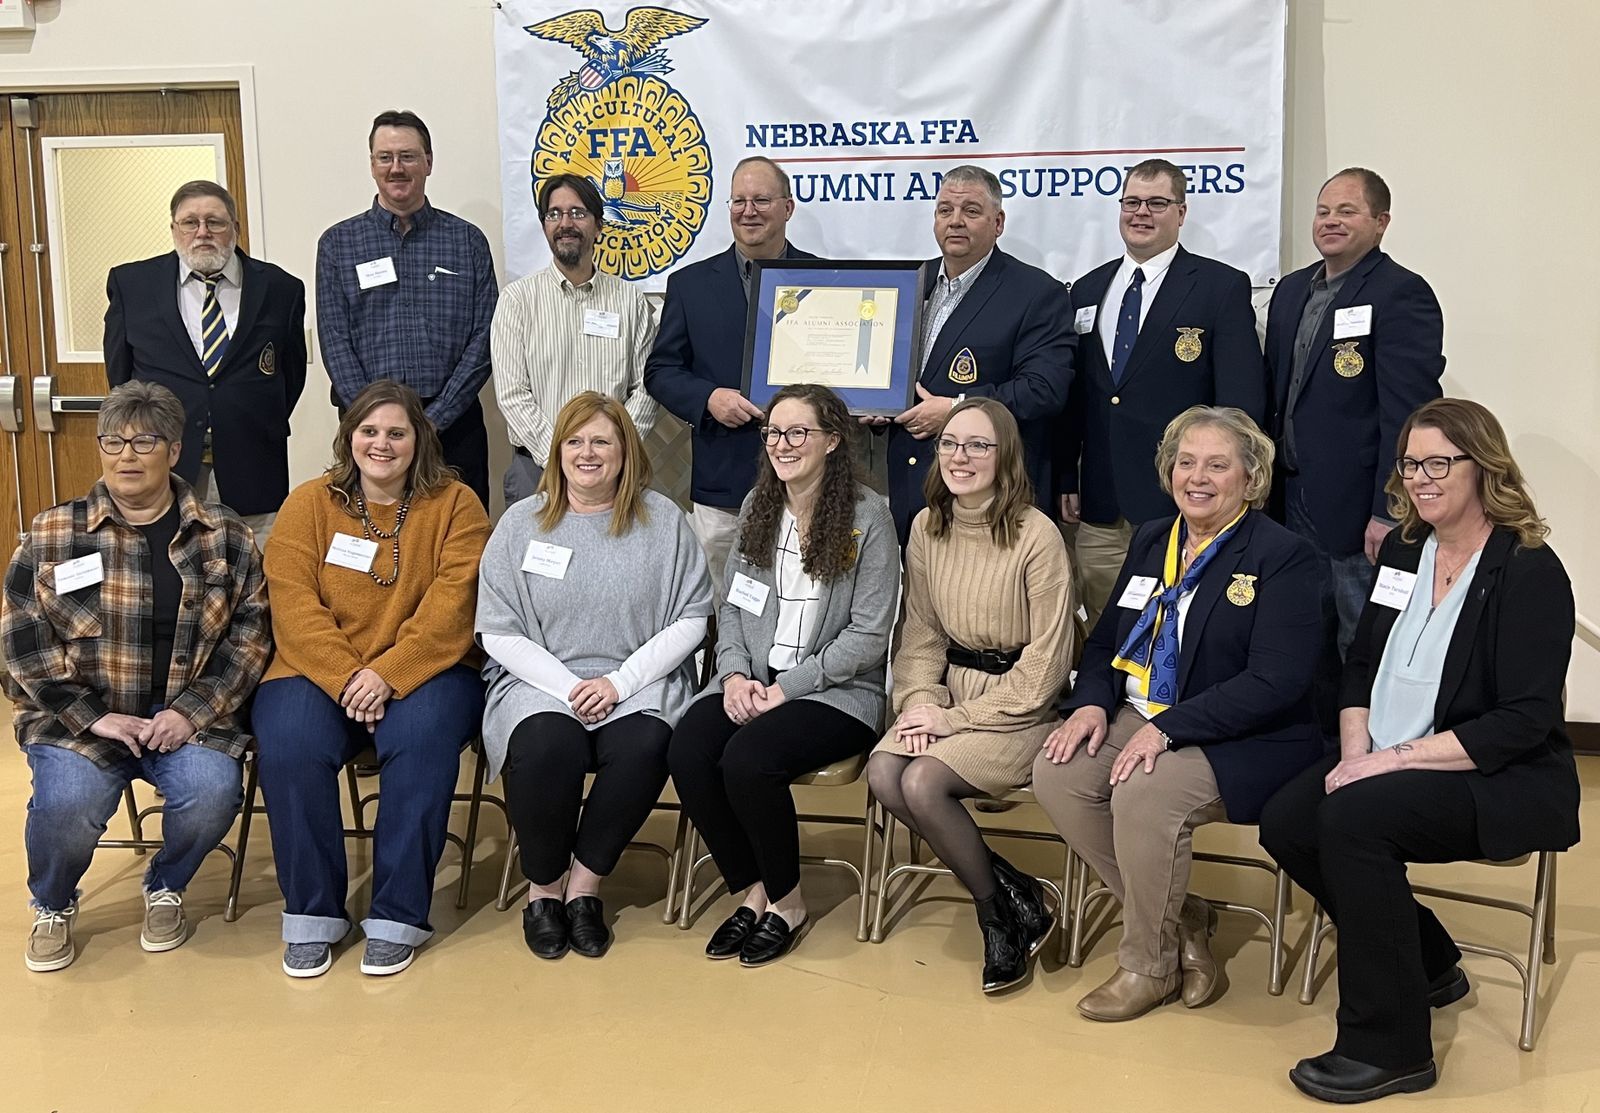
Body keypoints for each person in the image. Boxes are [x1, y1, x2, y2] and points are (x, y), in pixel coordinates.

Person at [1260, 398, 1578, 1104]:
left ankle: (1390, 1046)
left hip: (1498, 772)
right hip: (1383, 754)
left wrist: (1385, 765)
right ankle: (1428, 957)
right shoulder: (1405, 548)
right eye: (1411, 463)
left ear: (1483, 465)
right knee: (1287, 820)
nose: (1423, 478)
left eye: (1440, 462)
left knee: (1351, 821)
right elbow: (1361, 661)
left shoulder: (1528, 570)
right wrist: (1353, 754)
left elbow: (1522, 722)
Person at [1032, 406, 1321, 1021]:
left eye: (1218, 464)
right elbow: (1109, 637)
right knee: (1056, 774)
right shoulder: (1152, 537)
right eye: (1186, 462)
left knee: (1145, 794)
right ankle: (1183, 914)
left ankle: (1148, 965)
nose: (1198, 477)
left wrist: (1167, 730)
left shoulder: (1284, 556)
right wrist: (1089, 705)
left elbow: (1277, 680)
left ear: (1251, 477)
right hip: (1144, 710)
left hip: (1240, 732)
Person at [3, 381, 270, 972]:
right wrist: (93, 717)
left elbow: (250, 637)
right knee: (66, 806)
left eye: (143, 440)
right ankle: (52, 901)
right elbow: (21, 647)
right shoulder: (52, 534)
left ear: (174, 450)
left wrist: (189, 713)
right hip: (82, 721)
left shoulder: (225, 535)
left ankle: (166, 883)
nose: (126, 455)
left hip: (186, 719)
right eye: (112, 441)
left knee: (210, 794)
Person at [253, 380, 489, 978]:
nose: (381, 443)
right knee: (289, 744)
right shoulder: (308, 503)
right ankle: (312, 915)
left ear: (419, 441)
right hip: (316, 669)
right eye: (369, 431)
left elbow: (453, 607)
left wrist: (387, 673)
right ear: (349, 436)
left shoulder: (456, 504)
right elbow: (294, 606)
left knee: (425, 742)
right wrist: (346, 675)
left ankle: (397, 915)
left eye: (397, 432)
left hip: (427, 669)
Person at [668, 384, 898, 966]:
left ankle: (788, 904)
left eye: (798, 432)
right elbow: (735, 608)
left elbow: (869, 639)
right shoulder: (758, 507)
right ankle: (754, 889)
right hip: (755, 678)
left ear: (833, 442)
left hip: (837, 693)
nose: (782, 444)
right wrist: (738, 675)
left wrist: (783, 690)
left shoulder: (869, 519)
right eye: (773, 432)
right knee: (689, 747)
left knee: (748, 759)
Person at [477, 392, 710, 960]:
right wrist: (568, 688)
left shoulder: (664, 523)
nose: (587, 453)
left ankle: (584, 887)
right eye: (575, 441)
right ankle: (543, 890)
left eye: (601, 441)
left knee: (647, 744)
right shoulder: (520, 524)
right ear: (556, 453)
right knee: (544, 745)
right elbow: (497, 630)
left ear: (625, 451)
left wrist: (618, 685)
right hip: (539, 682)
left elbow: (693, 618)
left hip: (638, 680)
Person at [866, 398, 1075, 993]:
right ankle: (1017, 891)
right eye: (951, 443)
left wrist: (955, 720)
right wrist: (917, 704)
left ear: (1005, 454)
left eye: (979, 445)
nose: (962, 457)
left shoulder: (1038, 536)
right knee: (884, 771)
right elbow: (922, 635)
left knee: (921, 781)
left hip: (1019, 709)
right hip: (947, 695)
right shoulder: (927, 527)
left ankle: (992, 915)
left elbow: (1046, 667)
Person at [1054, 159, 1266, 629]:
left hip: (1184, 501)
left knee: (1184, 628)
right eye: (1132, 202)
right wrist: (1068, 475)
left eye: (1157, 203)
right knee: (1104, 629)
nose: (1141, 213)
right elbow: (1078, 400)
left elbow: (1240, 404)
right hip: (1102, 504)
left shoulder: (1219, 286)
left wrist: (1236, 484)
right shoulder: (1087, 290)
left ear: (1182, 212)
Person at [1266, 167, 1445, 660]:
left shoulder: (1400, 293)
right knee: (1300, 634)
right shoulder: (1290, 291)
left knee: (1360, 638)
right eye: (1323, 212)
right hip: (1289, 497)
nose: (1330, 221)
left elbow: (1410, 416)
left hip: (1357, 510)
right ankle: (1316, 738)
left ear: (1381, 222)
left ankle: (1361, 739)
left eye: (1347, 211)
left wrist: (1389, 509)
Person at [873, 164, 1074, 545]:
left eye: (971, 211)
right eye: (945, 210)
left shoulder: (1036, 293)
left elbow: (1043, 389)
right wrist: (874, 401)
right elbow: (894, 372)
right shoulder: (908, 282)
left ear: (998, 222)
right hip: (910, 489)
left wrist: (955, 409)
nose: (955, 222)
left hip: (991, 498)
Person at [645, 156, 817, 593]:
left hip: (808, 480)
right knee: (727, 608)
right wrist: (708, 399)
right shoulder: (690, 284)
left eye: (761, 199)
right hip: (723, 483)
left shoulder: (825, 278)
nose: (748, 210)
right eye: (738, 201)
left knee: (804, 601)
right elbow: (661, 371)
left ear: (788, 208)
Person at [104, 180, 306, 544]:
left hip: (253, 460)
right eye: (190, 223)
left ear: (235, 229)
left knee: (254, 578)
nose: (202, 233)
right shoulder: (132, 284)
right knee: (168, 571)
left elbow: (289, 377)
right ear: (173, 229)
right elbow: (121, 381)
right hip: (163, 460)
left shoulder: (281, 288)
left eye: (215, 222)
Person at [316, 109, 499, 506]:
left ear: (429, 162)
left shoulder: (466, 242)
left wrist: (432, 422)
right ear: (372, 164)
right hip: (370, 434)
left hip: (453, 427)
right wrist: (378, 424)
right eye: (385, 157)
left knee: (461, 539)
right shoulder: (338, 244)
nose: (396, 168)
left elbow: (484, 338)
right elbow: (334, 340)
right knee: (373, 540)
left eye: (408, 156)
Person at [491, 173, 658, 506]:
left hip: (614, 474)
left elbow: (647, 387)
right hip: (536, 470)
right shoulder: (517, 301)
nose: (565, 223)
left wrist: (613, 451)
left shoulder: (630, 301)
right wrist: (561, 456)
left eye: (577, 213)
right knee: (538, 559)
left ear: (598, 226)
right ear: (544, 227)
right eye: (554, 214)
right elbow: (512, 394)